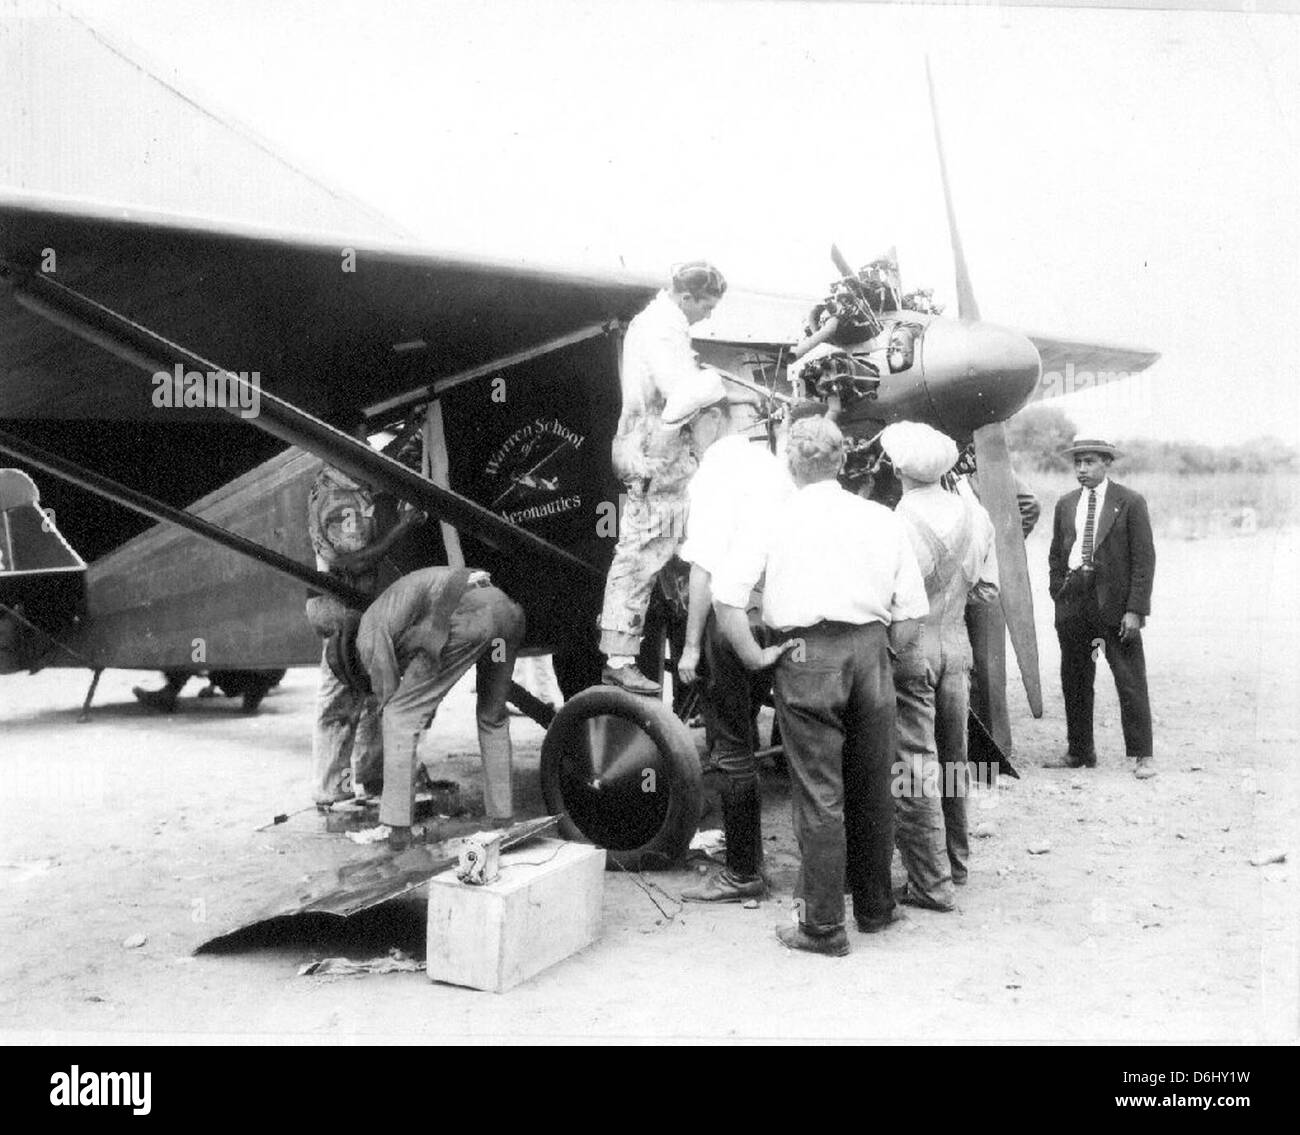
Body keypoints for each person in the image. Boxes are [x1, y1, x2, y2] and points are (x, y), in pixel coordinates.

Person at [712, 416, 929, 956]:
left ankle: (823, 925)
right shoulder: (882, 519)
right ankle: (876, 909)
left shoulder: (773, 518)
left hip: (805, 655)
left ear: (790, 462)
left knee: (819, 795)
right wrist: (884, 654)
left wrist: (754, 655)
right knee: (872, 785)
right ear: (841, 461)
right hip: (871, 651)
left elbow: (726, 598)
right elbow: (910, 614)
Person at [661, 372, 793, 903]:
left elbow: (703, 570)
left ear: (711, 418)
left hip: (731, 615)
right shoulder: (769, 464)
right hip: (780, 614)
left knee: (731, 746)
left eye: (688, 430)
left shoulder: (713, 473)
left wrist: (691, 647)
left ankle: (742, 872)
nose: (687, 442)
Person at [881, 422, 998, 909]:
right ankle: (956, 859)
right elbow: (988, 591)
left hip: (912, 648)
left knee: (913, 763)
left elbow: (887, 598)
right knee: (953, 758)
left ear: (897, 469)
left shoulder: (893, 521)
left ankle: (930, 881)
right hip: (957, 644)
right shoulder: (977, 516)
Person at [599, 261, 728, 695]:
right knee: (641, 554)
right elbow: (680, 392)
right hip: (654, 459)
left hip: (663, 460)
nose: (707, 315)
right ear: (687, 296)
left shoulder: (663, 324)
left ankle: (678, 662)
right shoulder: (660, 328)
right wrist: (711, 382)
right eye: (706, 306)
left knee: (668, 556)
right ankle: (618, 658)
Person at [342, 566, 525, 849]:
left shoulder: (367, 633)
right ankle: (501, 818)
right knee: (493, 716)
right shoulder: (391, 609)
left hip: (470, 618)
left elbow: (391, 700)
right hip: (505, 617)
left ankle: (396, 828)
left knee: (398, 717)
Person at [305, 440, 426, 807]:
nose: (364, 446)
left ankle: (372, 780)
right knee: (343, 697)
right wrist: (402, 527)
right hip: (341, 605)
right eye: (357, 439)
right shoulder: (340, 497)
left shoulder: (347, 480)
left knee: (372, 693)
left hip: (353, 604)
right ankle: (331, 790)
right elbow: (354, 562)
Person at [1046, 436, 1156, 778]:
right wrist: (1058, 591)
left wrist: (1135, 609)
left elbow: (1144, 560)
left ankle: (1142, 756)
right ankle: (1080, 751)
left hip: (1115, 605)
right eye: (1078, 462)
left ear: (1107, 463)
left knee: (1129, 677)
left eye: (1090, 462)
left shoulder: (1130, 502)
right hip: (1074, 603)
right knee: (1075, 678)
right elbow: (1056, 554)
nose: (1082, 469)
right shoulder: (1065, 504)